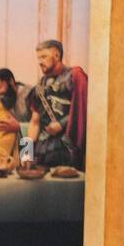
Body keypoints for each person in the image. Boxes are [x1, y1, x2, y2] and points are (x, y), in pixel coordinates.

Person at [27, 39, 88, 168]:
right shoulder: (39, 86)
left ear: (56, 55)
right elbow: (34, 122)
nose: (40, 62)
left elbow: (82, 110)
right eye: (38, 58)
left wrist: (61, 124)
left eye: (44, 57)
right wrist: (26, 153)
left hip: (67, 149)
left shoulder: (75, 76)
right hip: (42, 151)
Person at [0, 67, 33, 136]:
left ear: (11, 81)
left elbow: (41, 125)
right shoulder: (4, 98)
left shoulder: (30, 93)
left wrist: (19, 127)